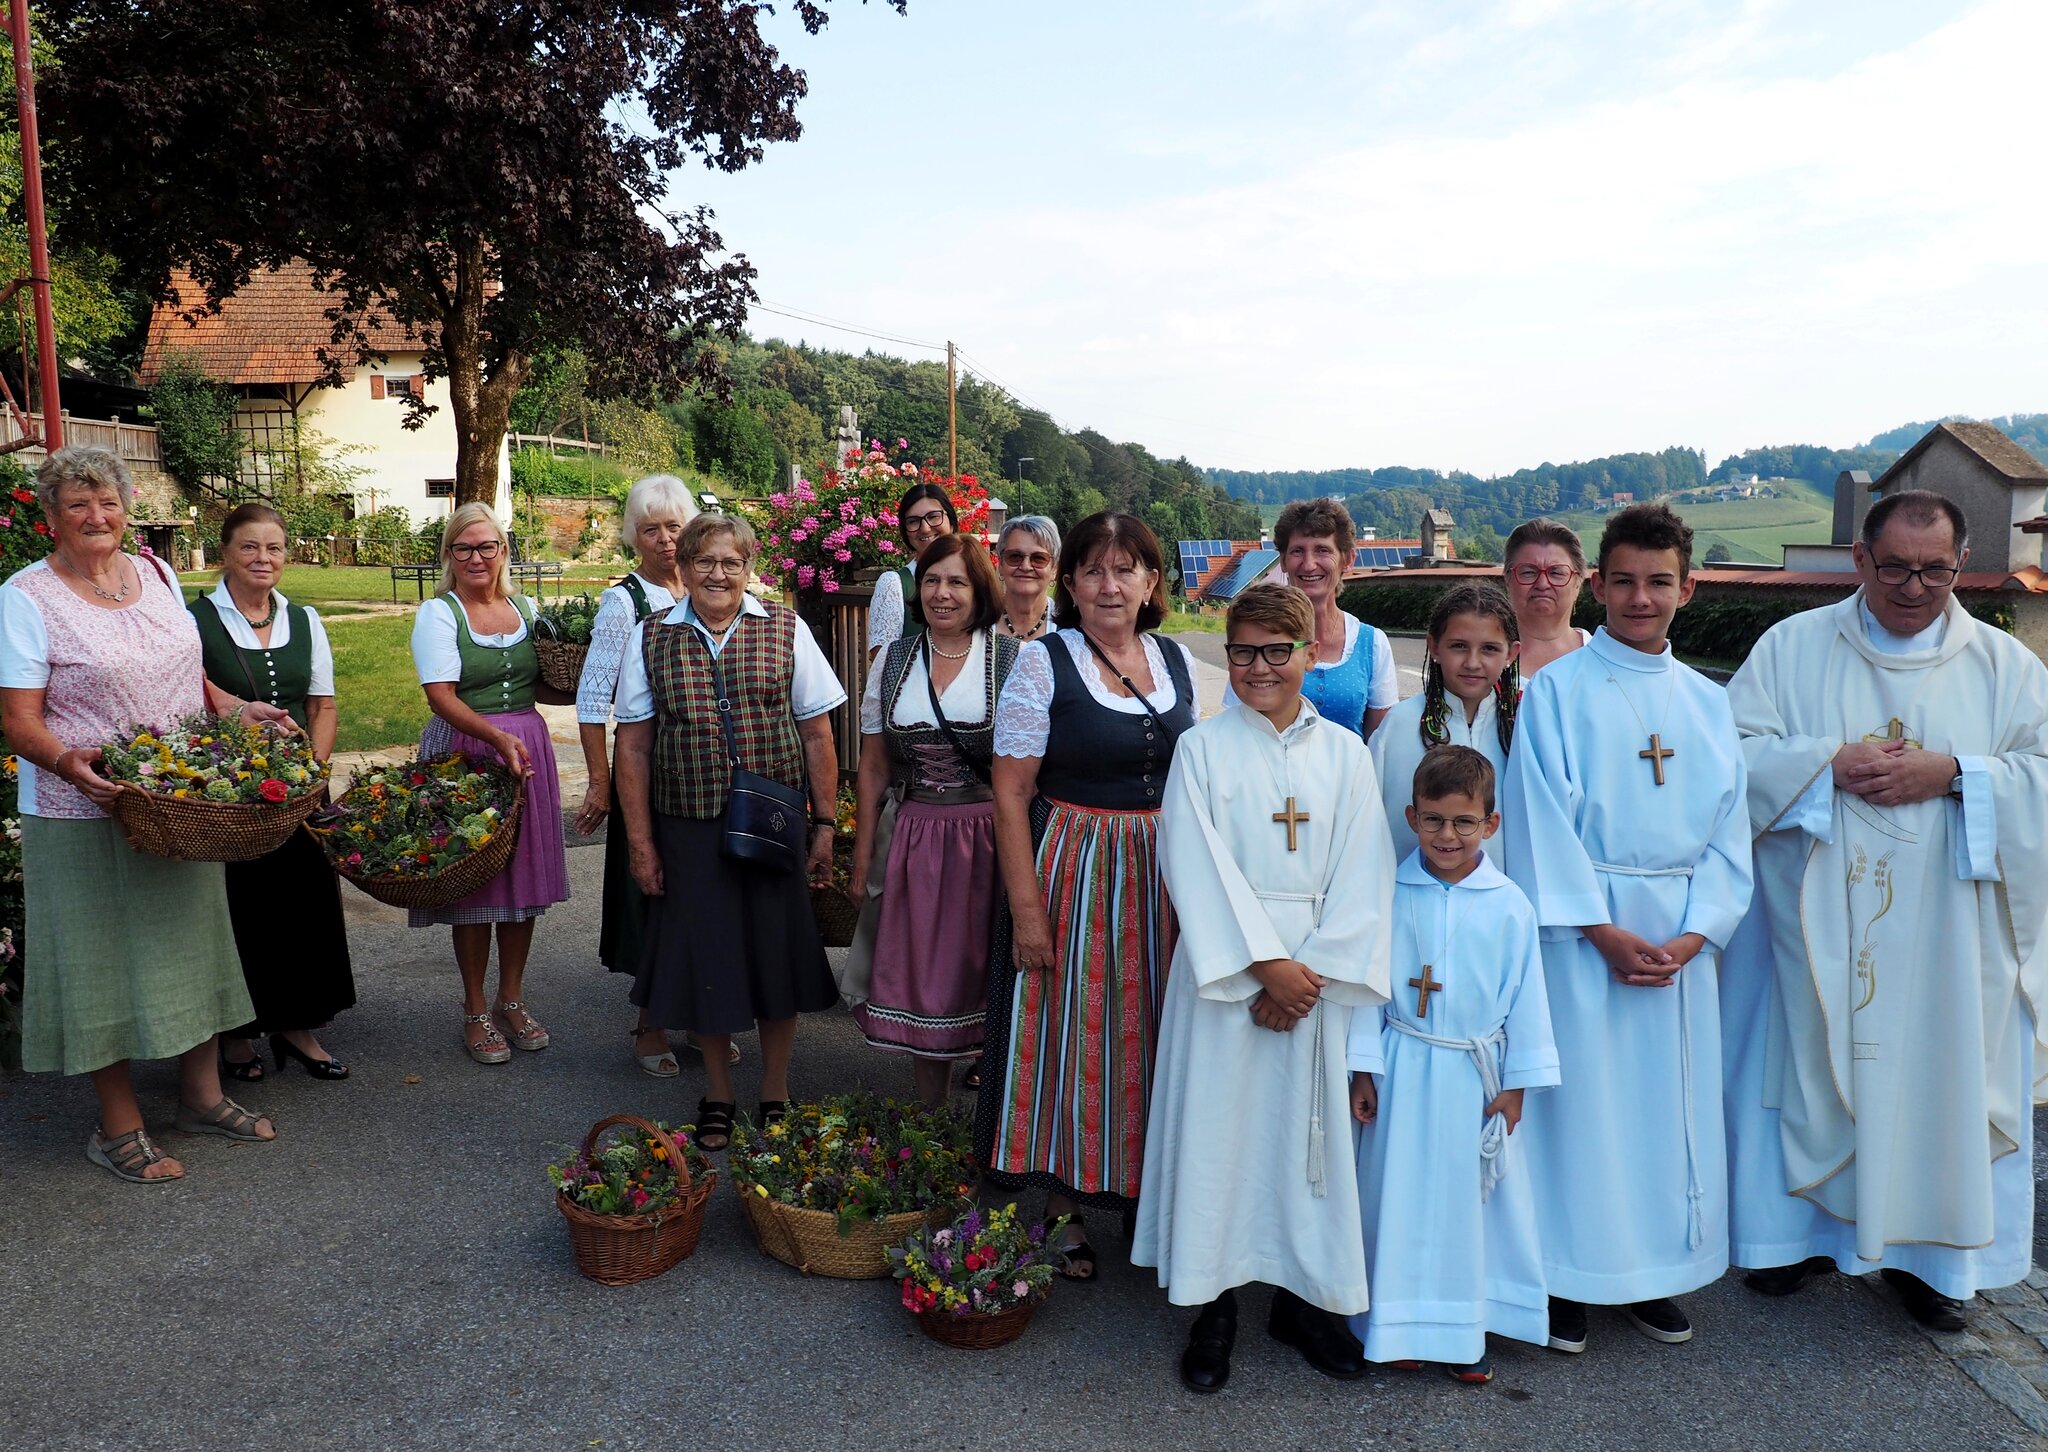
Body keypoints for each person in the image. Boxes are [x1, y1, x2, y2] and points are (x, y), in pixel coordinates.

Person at [1722, 489, 2048, 1332]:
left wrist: (1958, 777)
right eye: (1895, 567)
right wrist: (1824, 760)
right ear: (1860, 561)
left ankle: (1933, 1261)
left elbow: (2043, 775)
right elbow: (1733, 760)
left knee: (1939, 1076)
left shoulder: (2006, 668)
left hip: (1951, 942)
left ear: (1960, 567)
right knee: (1811, 1060)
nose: (1914, 587)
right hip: (1820, 926)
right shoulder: (1792, 647)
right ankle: (1794, 1241)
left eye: (1935, 570)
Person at [1500, 502, 1753, 1352]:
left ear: (1688, 587)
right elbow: (1537, 818)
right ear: (1598, 584)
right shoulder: (1557, 692)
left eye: (1659, 582)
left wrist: (1698, 931)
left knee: (1665, 1110)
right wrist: (1600, 928)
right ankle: (1567, 1276)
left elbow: (1730, 830)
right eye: (1625, 581)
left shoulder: (1709, 703)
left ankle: (1654, 1275)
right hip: (1585, 936)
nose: (1640, 598)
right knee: (1582, 1111)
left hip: (1678, 939)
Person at [0, 446, 289, 1182]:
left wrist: (234, 709)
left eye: (108, 503)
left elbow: (186, 677)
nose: (97, 517)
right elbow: (19, 721)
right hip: (81, 810)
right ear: (52, 517)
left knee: (190, 945)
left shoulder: (157, 573)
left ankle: (200, 1095)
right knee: (98, 961)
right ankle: (117, 1124)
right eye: (77, 505)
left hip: (177, 801)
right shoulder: (27, 597)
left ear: (127, 509)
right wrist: (70, 762)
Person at [1136, 582, 1394, 1394]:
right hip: (1229, 979)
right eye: (1242, 651)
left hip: (1315, 976)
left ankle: (1303, 1300)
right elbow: (1193, 865)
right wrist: (1265, 968)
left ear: (1309, 656)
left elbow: (1367, 874)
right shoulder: (1203, 750)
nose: (1258, 667)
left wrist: (1306, 973)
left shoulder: (1347, 756)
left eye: (1276, 652)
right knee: (1224, 1138)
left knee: (1302, 1143)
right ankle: (1212, 1304)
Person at [980, 511, 1199, 1280]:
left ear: (1151, 582)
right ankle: (1064, 1204)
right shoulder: (1044, 662)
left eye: (1126, 569)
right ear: (1070, 584)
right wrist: (1028, 908)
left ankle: (1147, 1191)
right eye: (1094, 571)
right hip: (1073, 866)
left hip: (1164, 873)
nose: (1110, 585)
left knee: (1154, 1030)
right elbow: (1009, 794)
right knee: (1071, 1034)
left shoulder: (1176, 659)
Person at [613, 511, 845, 1151]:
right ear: (682, 568)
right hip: (688, 827)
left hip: (771, 825)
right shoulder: (651, 637)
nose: (718, 574)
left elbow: (818, 732)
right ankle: (718, 1091)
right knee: (706, 960)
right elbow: (632, 748)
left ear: (749, 569)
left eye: (731, 563)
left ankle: (775, 1089)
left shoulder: (787, 630)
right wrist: (641, 843)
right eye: (704, 562)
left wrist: (823, 825)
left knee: (775, 955)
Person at [1349, 746, 1557, 1384]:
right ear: (1411, 817)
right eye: (1434, 820)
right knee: (1397, 1197)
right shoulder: (1388, 892)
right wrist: (1363, 1068)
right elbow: (1366, 984)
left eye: (1464, 823)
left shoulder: (1509, 904)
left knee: (1466, 1209)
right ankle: (1395, 1325)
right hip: (1403, 1067)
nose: (1447, 835)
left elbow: (1527, 997)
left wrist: (1517, 1085)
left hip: (1474, 1076)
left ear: (1490, 826)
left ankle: (1464, 1332)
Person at [848, 535, 1019, 1106]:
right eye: (931, 581)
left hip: (991, 838)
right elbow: (872, 768)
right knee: (924, 977)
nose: (942, 594)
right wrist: (860, 857)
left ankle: (996, 1120)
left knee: (987, 971)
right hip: (916, 833)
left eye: (956, 582)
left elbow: (1027, 773)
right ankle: (931, 1114)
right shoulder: (894, 660)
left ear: (980, 591)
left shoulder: (1010, 659)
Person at [569, 473, 723, 1079]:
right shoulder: (625, 601)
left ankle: (702, 1017)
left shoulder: (716, 588)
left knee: (704, 898)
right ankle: (651, 1023)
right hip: (648, 773)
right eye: (650, 529)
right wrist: (601, 785)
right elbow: (590, 702)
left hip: (710, 772)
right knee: (654, 896)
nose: (664, 539)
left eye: (674, 526)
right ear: (634, 537)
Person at [193, 502, 354, 1082]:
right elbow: (188, 700)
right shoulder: (196, 619)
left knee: (301, 903)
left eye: (274, 548)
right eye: (249, 547)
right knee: (239, 906)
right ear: (225, 553)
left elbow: (323, 705)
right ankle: (235, 1032)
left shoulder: (304, 619)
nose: (264, 558)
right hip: (225, 789)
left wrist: (313, 770)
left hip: (298, 784)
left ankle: (296, 1026)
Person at [409, 502, 571, 1065]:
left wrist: (584, 683)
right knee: (477, 883)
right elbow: (441, 696)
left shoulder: (524, 608)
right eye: (464, 548)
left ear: (505, 551)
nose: (477, 558)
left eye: (488, 547)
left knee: (522, 881)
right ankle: (475, 1008)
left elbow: (539, 685)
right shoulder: (439, 613)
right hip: (469, 750)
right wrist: (498, 739)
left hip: (527, 745)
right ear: (449, 555)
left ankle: (512, 998)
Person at [1372, 584, 1519, 863]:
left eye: (1489, 648)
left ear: (1511, 654)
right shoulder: (1399, 726)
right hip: (1410, 896)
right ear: (1434, 647)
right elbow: (1369, 824)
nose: (1473, 662)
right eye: (1459, 646)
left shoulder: (1523, 726)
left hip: (1504, 898)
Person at [1234, 499, 1396, 739]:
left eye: (1322, 550)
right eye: (1297, 551)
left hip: (1350, 775)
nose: (1309, 565)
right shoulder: (1257, 640)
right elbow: (1235, 724)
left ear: (1348, 560)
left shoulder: (1371, 643)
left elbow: (1380, 742)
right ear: (1284, 561)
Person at [866, 481, 957, 659]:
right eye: (913, 521)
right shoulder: (895, 584)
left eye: (933, 517)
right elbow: (883, 661)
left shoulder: (973, 577)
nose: (925, 528)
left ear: (951, 522)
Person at [1503, 519, 1591, 676]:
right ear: (1508, 580)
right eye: (1529, 572)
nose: (1542, 584)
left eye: (1556, 573)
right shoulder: (1483, 664)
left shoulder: (1605, 661)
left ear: (1578, 582)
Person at [993, 515, 1060, 643]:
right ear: (1001, 564)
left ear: (1054, 569)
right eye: (1015, 557)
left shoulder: (1070, 626)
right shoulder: (978, 622)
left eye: (1039, 558)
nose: (1026, 566)